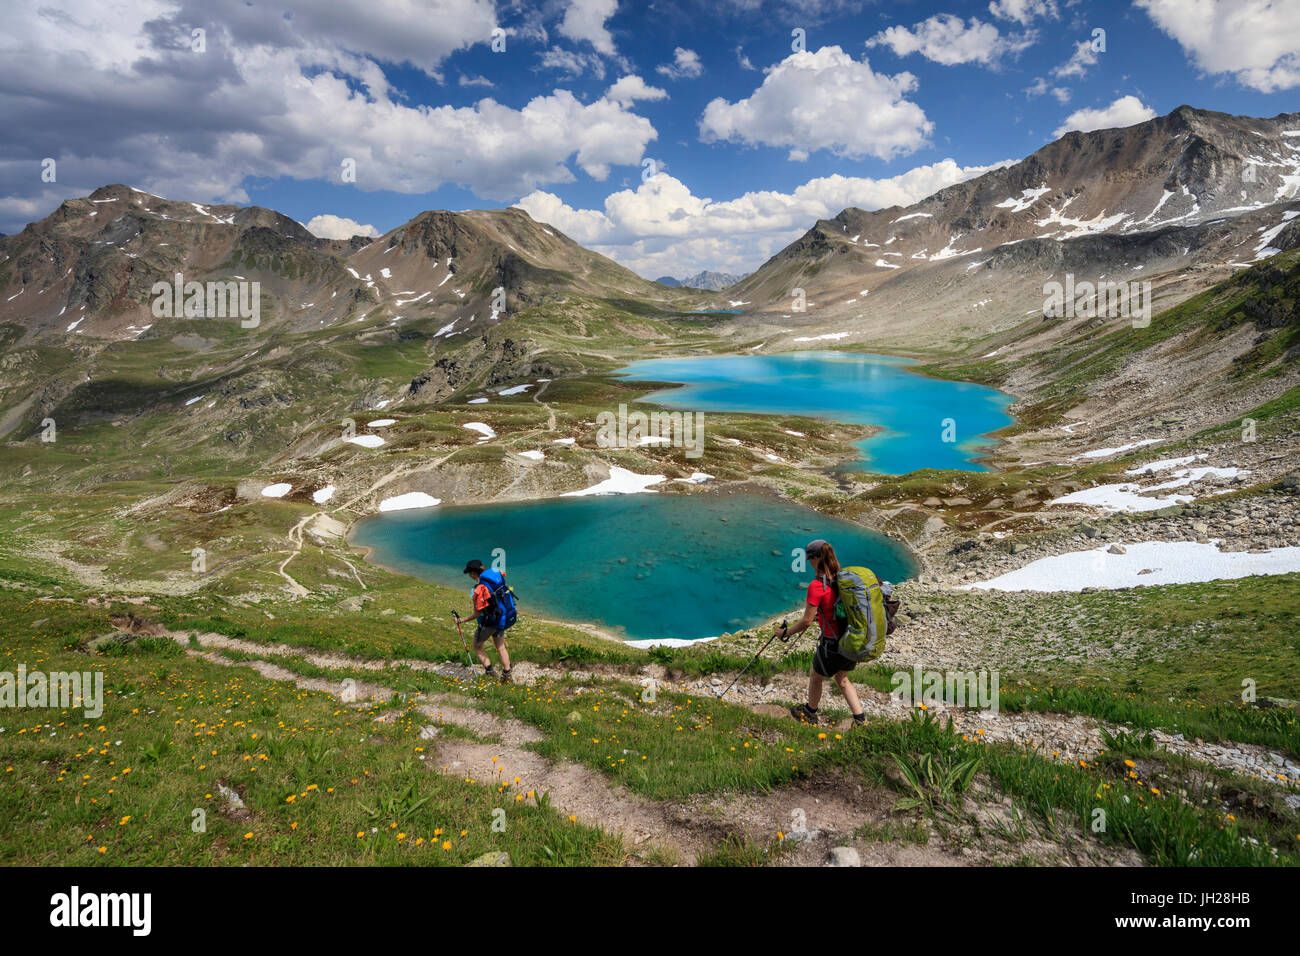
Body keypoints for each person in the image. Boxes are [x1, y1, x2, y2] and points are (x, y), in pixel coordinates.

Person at [778, 539, 866, 727]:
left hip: (831, 643)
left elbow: (806, 621)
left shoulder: (817, 586)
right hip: (851, 639)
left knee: (816, 676)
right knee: (842, 679)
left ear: (817, 558)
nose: (809, 563)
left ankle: (810, 712)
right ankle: (861, 720)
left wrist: (785, 633)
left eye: (810, 558)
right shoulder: (843, 580)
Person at [456, 559, 513, 683]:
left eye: (469, 573)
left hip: (488, 623)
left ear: (473, 573)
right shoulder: (494, 577)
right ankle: (507, 674)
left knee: (477, 646)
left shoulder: (478, 589)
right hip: (501, 618)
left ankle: (490, 672)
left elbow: (477, 613)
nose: (469, 575)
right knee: (501, 647)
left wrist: (461, 620)